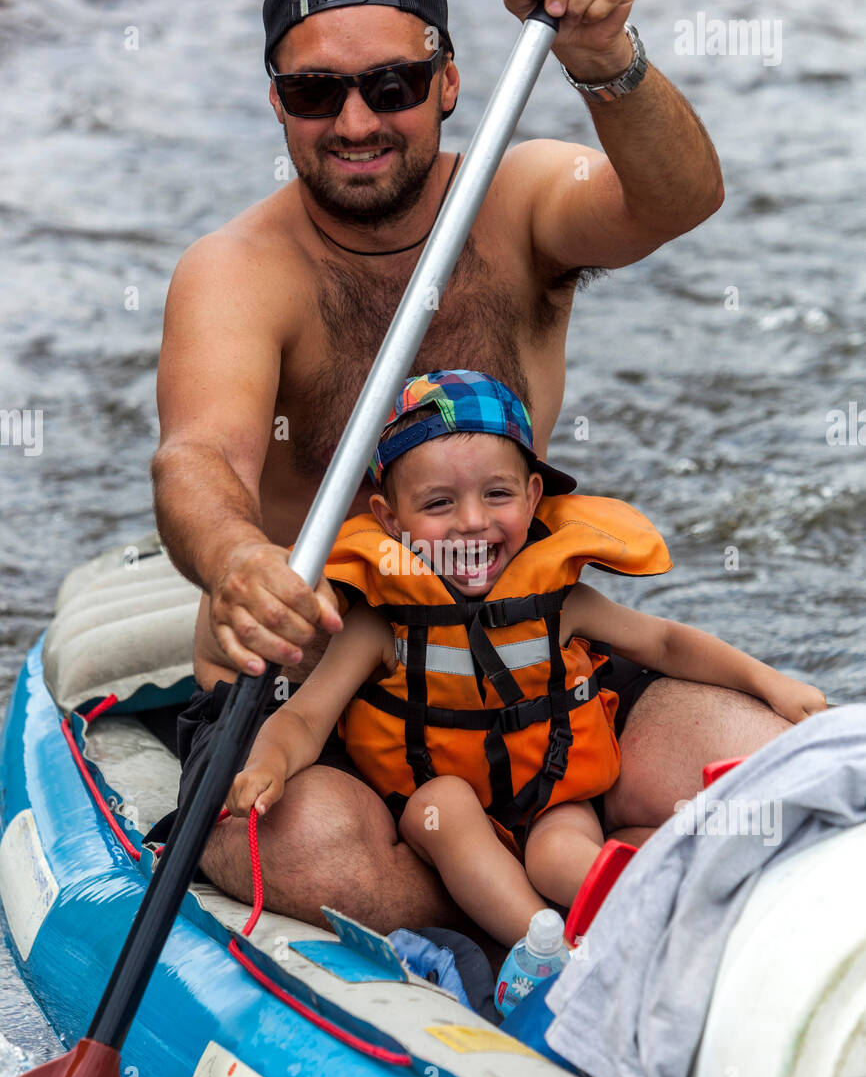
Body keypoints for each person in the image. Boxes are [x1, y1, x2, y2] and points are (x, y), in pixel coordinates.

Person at [151, 0, 773, 933]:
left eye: (391, 85)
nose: (355, 122)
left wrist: (605, 55)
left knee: (744, 766)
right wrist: (231, 558)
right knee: (309, 848)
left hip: (525, 656)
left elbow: (677, 200)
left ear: (447, 82)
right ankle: (532, 918)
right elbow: (197, 458)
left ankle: (576, 883)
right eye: (316, 95)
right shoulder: (235, 272)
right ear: (278, 104)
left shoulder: (519, 199)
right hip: (321, 683)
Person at [224, 371, 826, 948]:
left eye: (498, 494)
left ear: (533, 496)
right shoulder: (380, 625)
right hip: (439, 818)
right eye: (437, 504)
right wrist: (269, 766)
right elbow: (306, 716)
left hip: (550, 799)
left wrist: (766, 680)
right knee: (444, 806)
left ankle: (644, 924)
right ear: (389, 519)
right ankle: (543, 953)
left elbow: (665, 643)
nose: (472, 522)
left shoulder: (561, 604)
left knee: (562, 854)